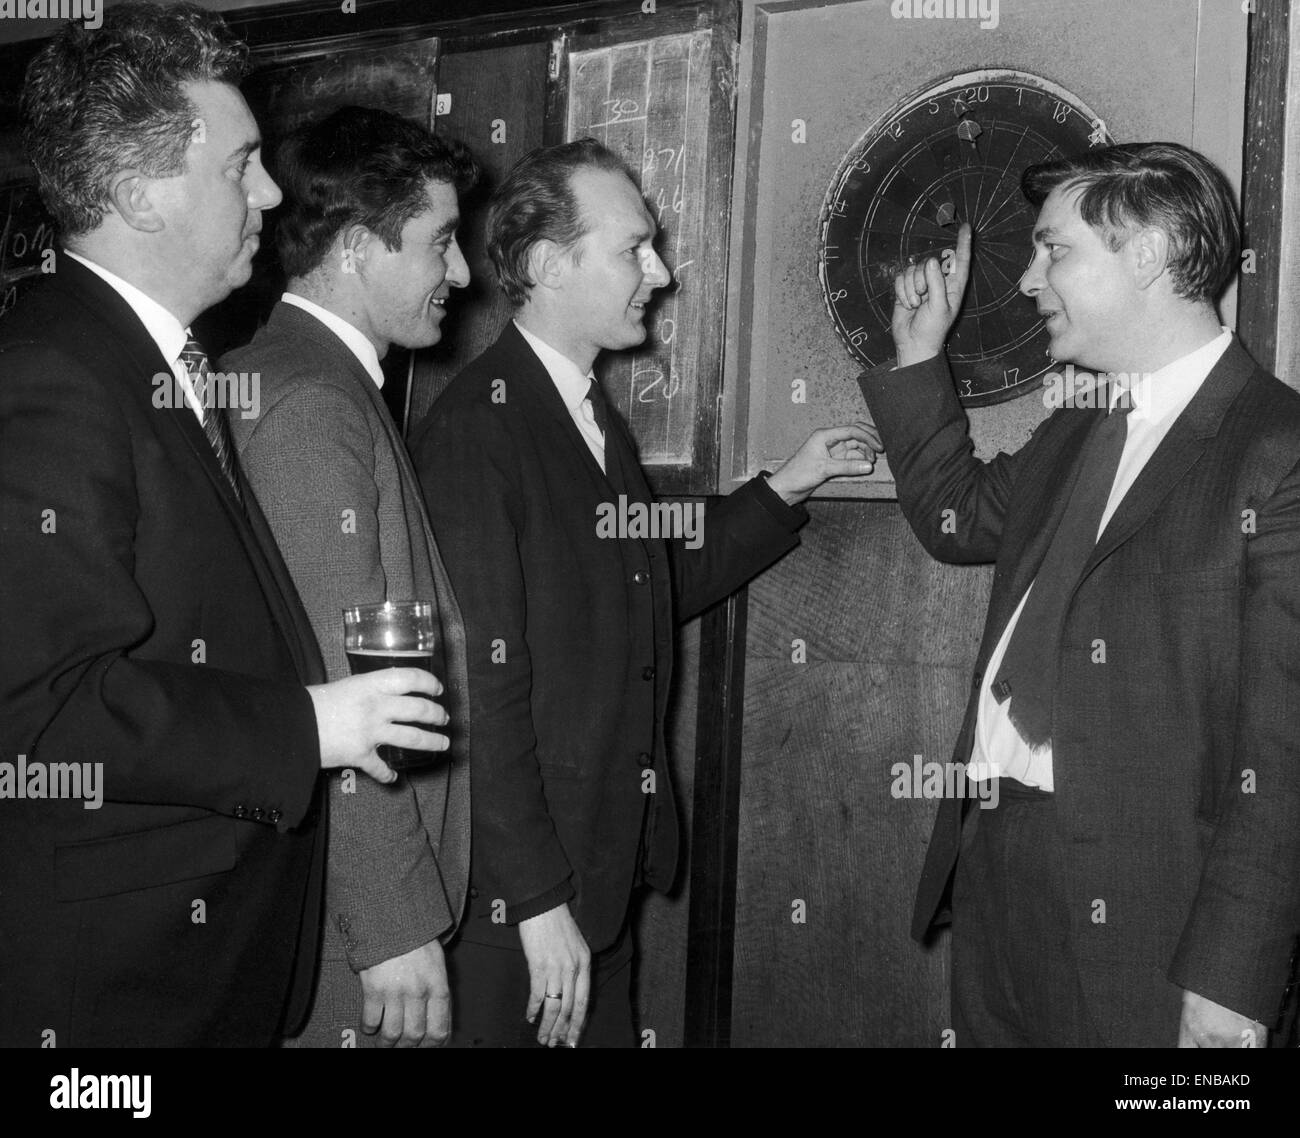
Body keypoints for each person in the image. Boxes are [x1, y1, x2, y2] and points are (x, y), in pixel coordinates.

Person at [0, 3, 448, 1048]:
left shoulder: (143, 359)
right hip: (112, 990)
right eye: (240, 164)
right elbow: (36, 710)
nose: (271, 192)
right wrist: (312, 725)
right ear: (140, 196)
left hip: (190, 966)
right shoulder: (52, 377)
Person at [410, 137, 879, 1047]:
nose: (659, 273)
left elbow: (646, 579)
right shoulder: (478, 435)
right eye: (633, 248)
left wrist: (784, 487)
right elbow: (476, 694)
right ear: (549, 265)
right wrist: (536, 899)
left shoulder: (586, 414)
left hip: (596, 875)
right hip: (526, 906)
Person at [859, 141, 1300, 1046]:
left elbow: (1285, 755)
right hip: (1000, 873)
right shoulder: (1077, 428)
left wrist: (1233, 979)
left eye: (1054, 250)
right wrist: (917, 359)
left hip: (1159, 919)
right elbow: (955, 519)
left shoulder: (1279, 449)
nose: (1027, 279)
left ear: (1146, 254)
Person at [224, 106, 477, 1049]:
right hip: (345, 927)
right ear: (358, 249)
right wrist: (395, 922)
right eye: (441, 243)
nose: (460, 273)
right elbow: (344, 698)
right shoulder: (311, 403)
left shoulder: (308, 378)